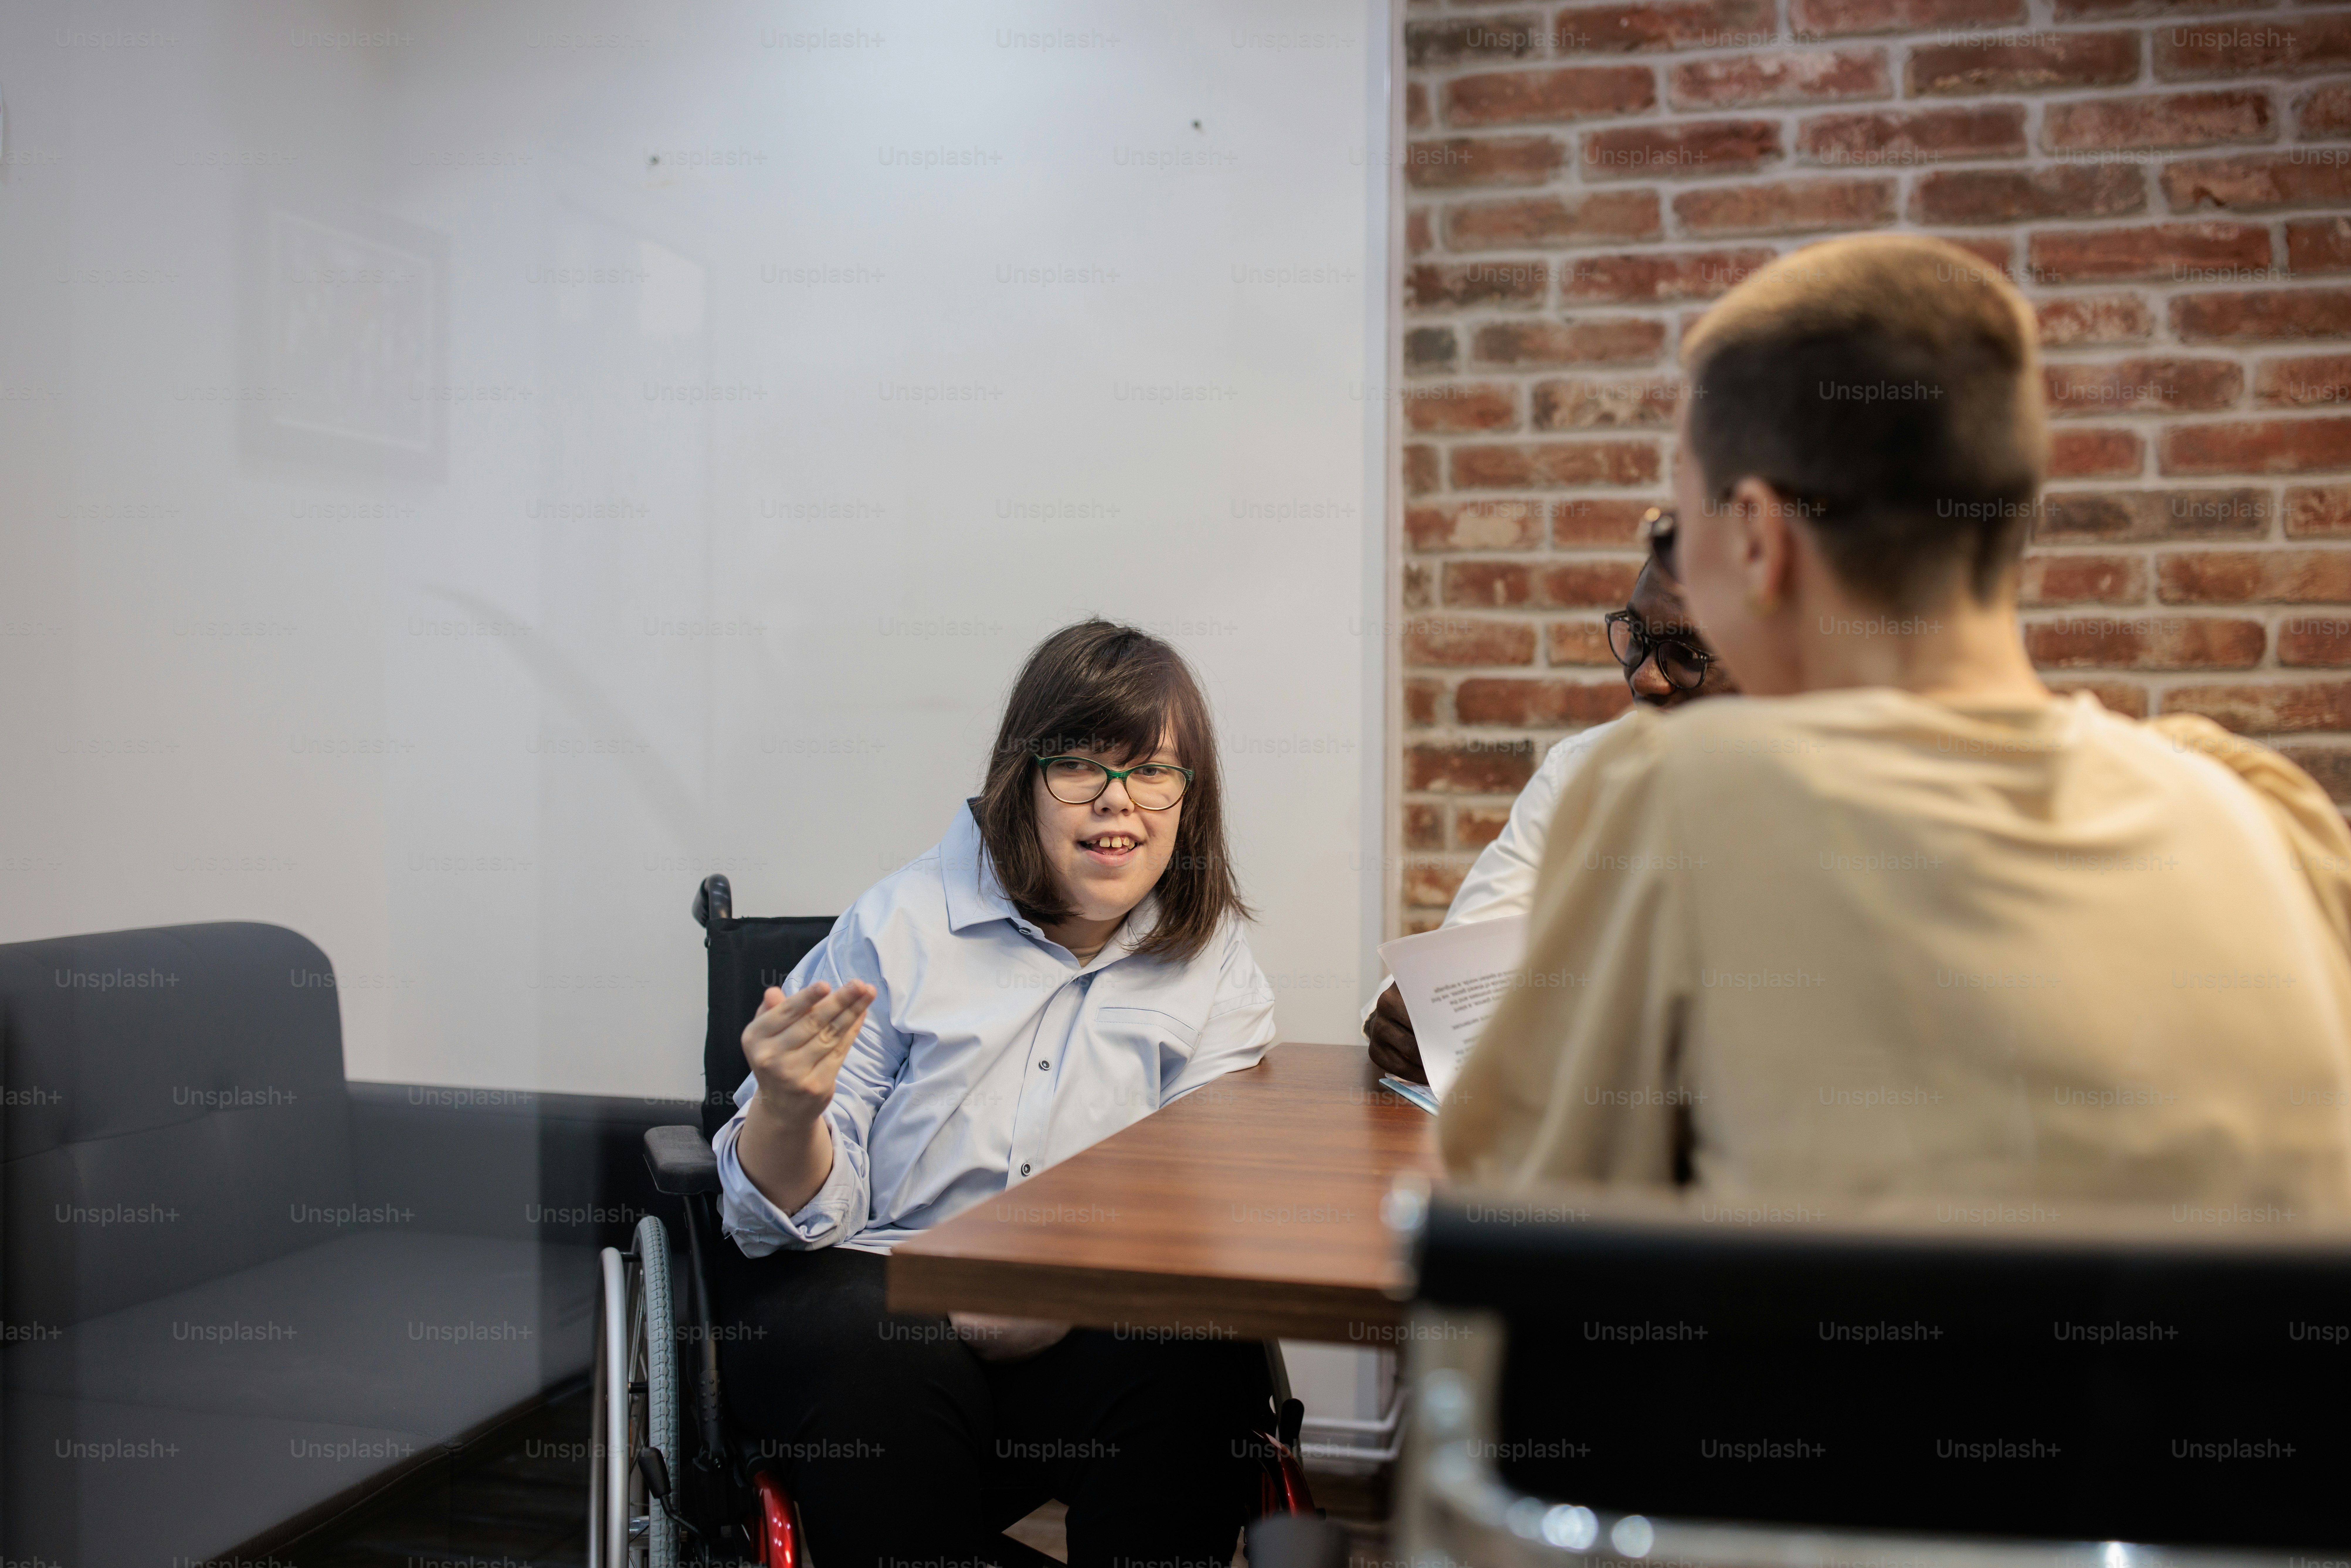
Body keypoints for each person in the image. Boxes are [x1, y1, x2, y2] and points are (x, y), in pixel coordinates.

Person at [1443, 233, 2351, 1213]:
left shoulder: (1675, 801)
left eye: (1673, 530)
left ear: (1757, 536)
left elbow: (1521, 1255)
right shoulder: (2259, 816)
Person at [711, 620, 1280, 1567]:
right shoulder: (899, 922)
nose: (1118, 804)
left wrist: (1058, 1282)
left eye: (1152, 773)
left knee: (1196, 1357)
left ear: (1191, 796)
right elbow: (784, 1220)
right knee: (877, 1347)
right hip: (876, 1276)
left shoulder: (1210, 960)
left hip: (1090, 1295)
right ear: (1024, 776)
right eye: (1079, 768)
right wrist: (787, 1108)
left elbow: (1200, 1184)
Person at [1365, 553, 1736, 1084]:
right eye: (1636, 637)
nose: (1647, 678)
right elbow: (1463, 962)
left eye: (1688, 655)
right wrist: (1409, 1025)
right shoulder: (1581, 769)